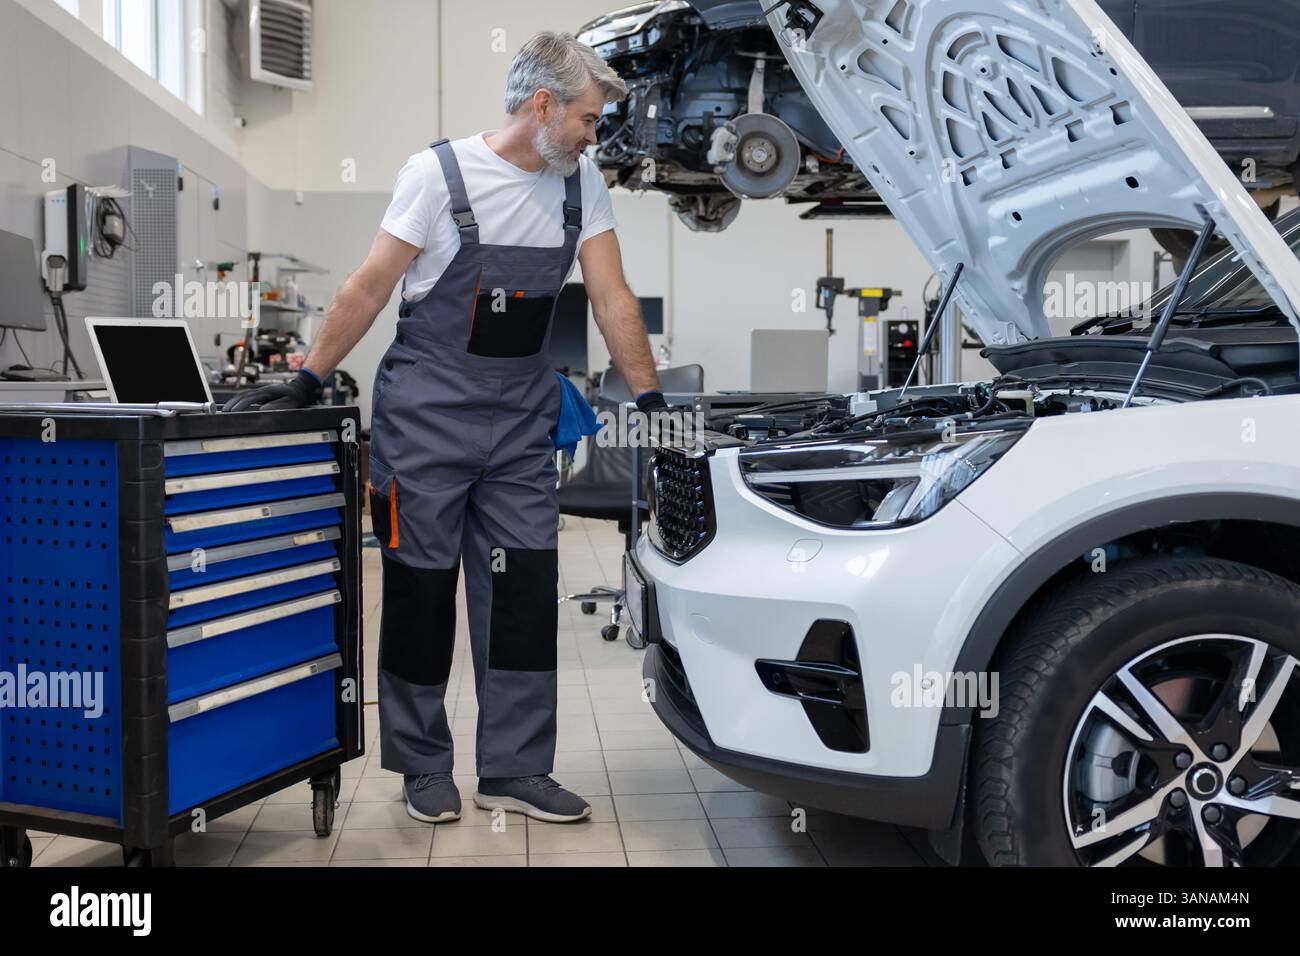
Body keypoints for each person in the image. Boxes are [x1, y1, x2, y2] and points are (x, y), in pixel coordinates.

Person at [226, 32, 668, 823]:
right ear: (542, 105)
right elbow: (368, 286)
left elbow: (613, 297)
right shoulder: (438, 175)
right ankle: (424, 766)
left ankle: (514, 769)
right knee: (421, 594)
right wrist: (307, 378)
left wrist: (654, 404)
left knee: (523, 593)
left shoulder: (580, 186)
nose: (593, 136)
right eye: (589, 119)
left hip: (520, 428)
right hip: (425, 423)